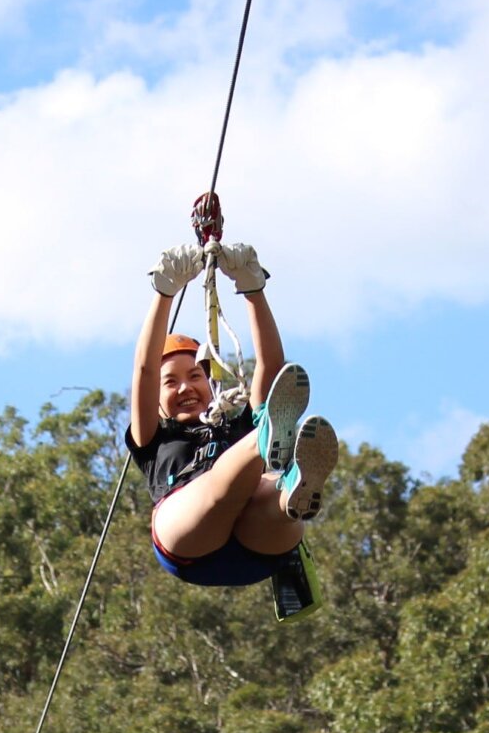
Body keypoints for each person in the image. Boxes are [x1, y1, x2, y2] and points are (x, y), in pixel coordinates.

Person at [127, 237, 340, 598]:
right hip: (188, 540)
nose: (185, 387)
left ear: (210, 382)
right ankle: (265, 444)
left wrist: (253, 288)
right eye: (171, 382)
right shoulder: (153, 439)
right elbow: (145, 371)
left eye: (194, 376)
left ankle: (293, 491)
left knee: (269, 490)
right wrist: (164, 293)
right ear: (157, 400)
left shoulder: (232, 423)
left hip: (260, 545)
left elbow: (271, 367)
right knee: (224, 481)